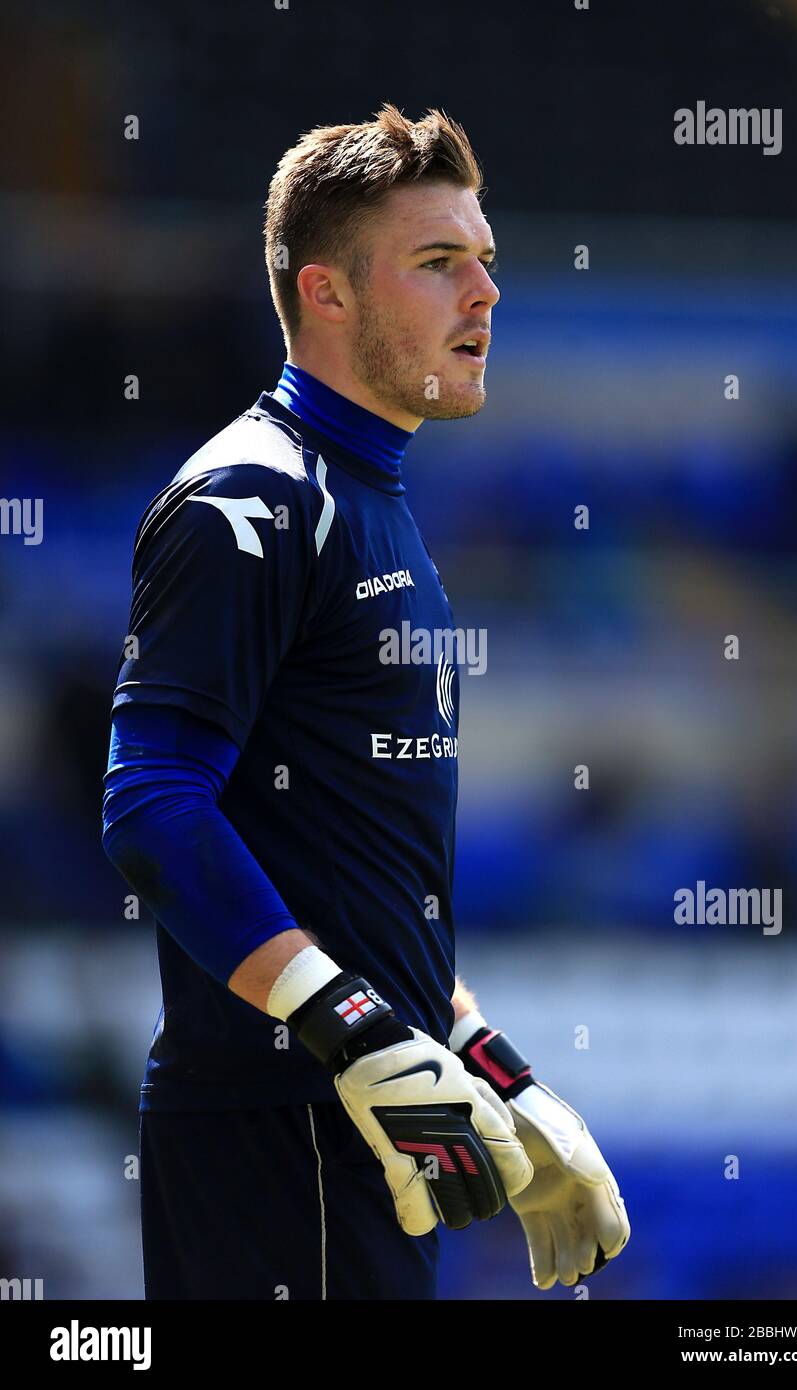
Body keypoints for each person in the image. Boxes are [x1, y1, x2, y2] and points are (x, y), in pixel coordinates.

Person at [102, 103, 630, 1301]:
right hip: (281, 1124)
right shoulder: (254, 494)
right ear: (326, 293)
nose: (484, 292)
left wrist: (490, 1065)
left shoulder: (371, 498)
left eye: (484, 259)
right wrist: (347, 1028)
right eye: (439, 263)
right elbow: (151, 804)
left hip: (367, 1110)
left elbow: (356, 870)